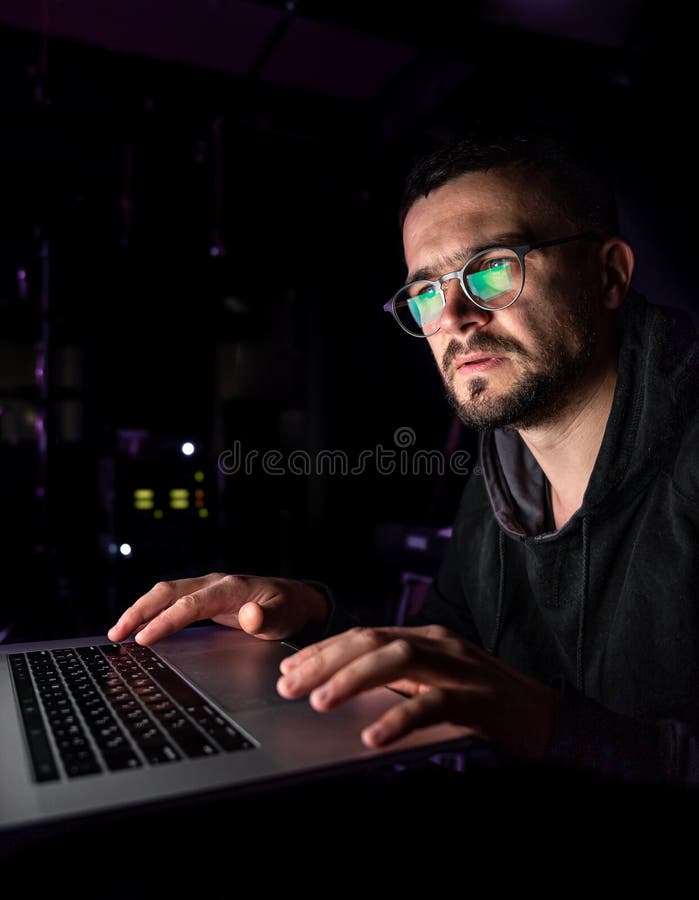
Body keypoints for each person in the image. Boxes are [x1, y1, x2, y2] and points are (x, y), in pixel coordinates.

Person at [108, 129, 699, 783]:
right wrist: (311, 617)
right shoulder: (503, 464)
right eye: (424, 292)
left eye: (493, 267)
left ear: (608, 274)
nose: (452, 314)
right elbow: (448, 647)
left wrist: (551, 727)